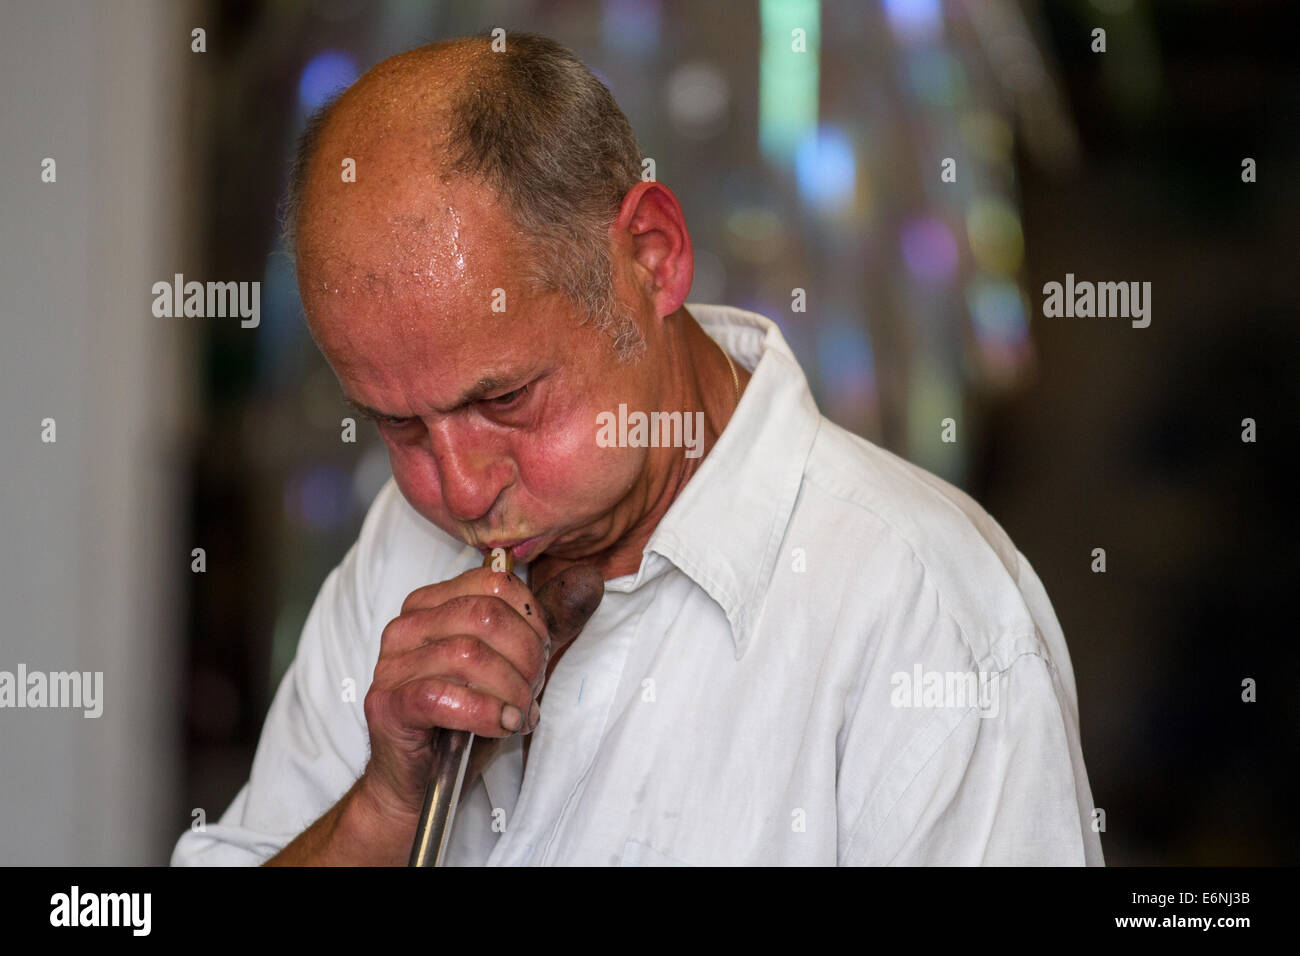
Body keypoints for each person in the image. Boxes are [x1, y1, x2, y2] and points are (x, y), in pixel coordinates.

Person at [171, 32, 1103, 866]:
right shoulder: (398, 544)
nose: (458, 489)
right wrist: (382, 810)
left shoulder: (923, 613)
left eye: (504, 398)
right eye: (398, 425)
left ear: (652, 256)